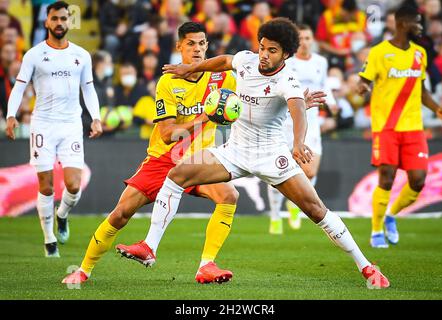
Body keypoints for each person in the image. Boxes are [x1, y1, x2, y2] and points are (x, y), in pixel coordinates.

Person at [118, 17, 390, 288]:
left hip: (271, 156)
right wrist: (191, 66)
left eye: (272, 51)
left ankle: (366, 266)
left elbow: (297, 111)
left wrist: (297, 143)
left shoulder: (288, 81)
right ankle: (149, 247)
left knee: (317, 210)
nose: (264, 55)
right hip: (235, 150)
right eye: (262, 47)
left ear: (286, 54)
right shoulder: (247, 61)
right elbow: (224, 60)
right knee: (177, 175)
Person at [62, 22, 240, 285]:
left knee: (229, 195)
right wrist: (204, 117)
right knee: (121, 213)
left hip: (201, 158)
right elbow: (168, 134)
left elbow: (243, 107)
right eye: (191, 43)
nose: (198, 49)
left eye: (202, 44)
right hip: (163, 158)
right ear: (179, 46)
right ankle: (84, 270)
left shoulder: (224, 78)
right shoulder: (168, 83)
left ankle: (206, 265)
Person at [5, 1, 102, 257]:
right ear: (46, 22)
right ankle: (49, 240)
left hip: (71, 125)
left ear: (69, 22)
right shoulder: (34, 55)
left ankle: (62, 215)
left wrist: (96, 117)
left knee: (73, 185)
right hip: (43, 125)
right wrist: (11, 115)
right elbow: (19, 86)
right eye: (54, 19)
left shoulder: (81, 55)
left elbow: (88, 89)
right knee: (46, 187)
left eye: (63, 19)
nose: (59, 23)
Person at [358, 5, 442, 248]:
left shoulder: (420, 53)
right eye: (417, 23)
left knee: (418, 181)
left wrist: (438, 109)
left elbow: (421, 89)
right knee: (386, 178)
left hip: (413, 127)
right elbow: (364, 80)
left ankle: (391, 215)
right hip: (386, 126)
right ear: (401, 24)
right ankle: (376, 230)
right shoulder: (379, 52)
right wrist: (363, 88)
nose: (421, 27)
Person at [266, 24, 337, 235]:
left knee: (310, 170)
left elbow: (324, 86)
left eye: (308, 37)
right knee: (276, 170)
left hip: (311, 123)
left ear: (313, 39)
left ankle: (295, 205)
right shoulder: (287, 63)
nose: (305, 42)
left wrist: (331, 101)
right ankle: (275, 216)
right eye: (302, 38)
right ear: (296, 42)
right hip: (284, 124)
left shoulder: (321, 62)